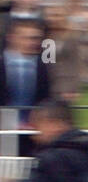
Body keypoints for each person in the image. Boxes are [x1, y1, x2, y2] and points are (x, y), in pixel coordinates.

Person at [0, 21, 53, 157]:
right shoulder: (2, 64)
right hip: (4, 127)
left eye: (36, 38)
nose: (33, 42)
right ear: (12, 38)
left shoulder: (42, 67)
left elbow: (46, 98)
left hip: (33, 129)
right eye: (27, 38)